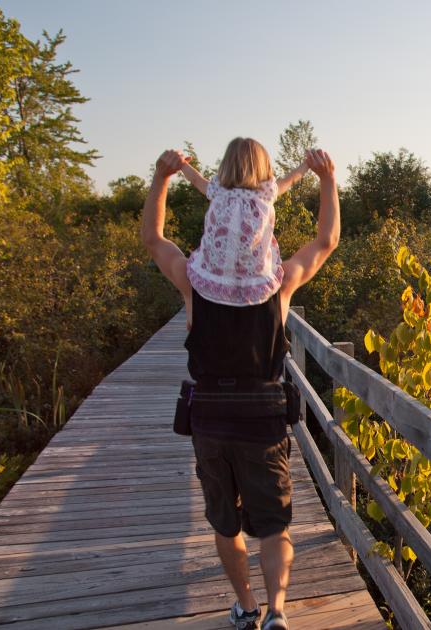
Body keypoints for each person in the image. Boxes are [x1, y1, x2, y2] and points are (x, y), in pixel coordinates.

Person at [141, 147, 340, 630]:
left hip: (209, 420)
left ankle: (246, 606)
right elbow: (326, 241)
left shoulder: (192, 280)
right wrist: (327, 179)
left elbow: (153, 238)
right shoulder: (280, 283)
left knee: (225, 523)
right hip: (264, 419)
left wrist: (162, 178)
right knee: (275, 525)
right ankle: (276, 612)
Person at [174, 138, 311, 329]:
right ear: (263, 166)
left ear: (226, 165)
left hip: (214, 275)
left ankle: (198, 322)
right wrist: (306, 165)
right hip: (255, 278)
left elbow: (196, 180)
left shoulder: (217, 191)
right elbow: (290, 179)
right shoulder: (265, 194)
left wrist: (181, 165)